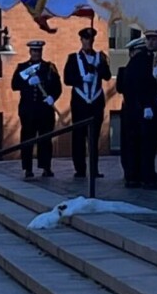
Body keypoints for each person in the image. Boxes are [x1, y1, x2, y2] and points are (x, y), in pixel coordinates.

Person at [116, 33, 157, 187]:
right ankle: (145, 176)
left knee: (150, 143)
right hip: (144, 109)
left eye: (154, 39)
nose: (151, 42)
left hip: (156, 106)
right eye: (148, 39)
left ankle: (143, 175)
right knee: (145, 144)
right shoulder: (140, 60)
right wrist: (145, 105)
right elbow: (134, 86)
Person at [65, 26, 112, 182]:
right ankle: (80, 169)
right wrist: (81, 78)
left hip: (96, 103)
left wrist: (99, 67)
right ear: (81, 40)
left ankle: (94, 169)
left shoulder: (100, 57)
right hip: (80, 102)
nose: (88, 42)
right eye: (85, 39)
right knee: (78, 137)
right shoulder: (73, 58)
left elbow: (107, 76)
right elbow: (67, 79)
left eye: (90, 39)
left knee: (94, 137)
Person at [12, 37, 63, 176]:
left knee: (45, 140)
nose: (36, 53)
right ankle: (28, 168)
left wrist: (53, 97)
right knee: (28, 139)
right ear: (30, 51)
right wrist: (27, 82)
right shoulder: (22, 67)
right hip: (28, 111)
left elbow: (57, 87)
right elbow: (14, 85)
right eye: (34, 51)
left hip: (45, 111)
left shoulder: (49, 68)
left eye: (38, 51)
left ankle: (46, 166)